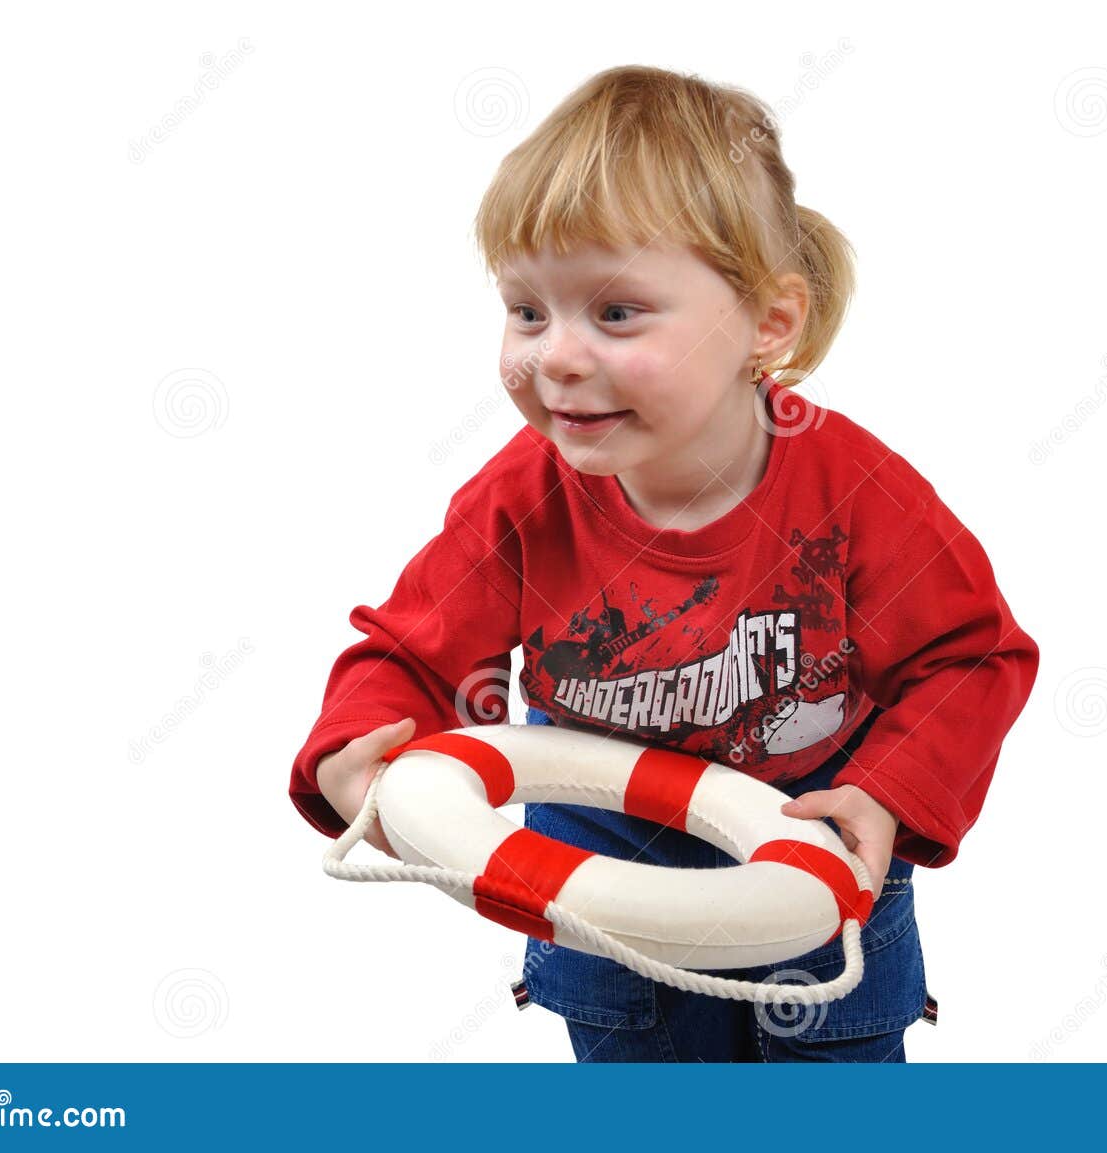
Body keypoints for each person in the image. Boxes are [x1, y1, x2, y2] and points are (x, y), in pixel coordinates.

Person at [288, 64, 1041, 1062]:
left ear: (766, 325)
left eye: (614, 313)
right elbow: (414, 649)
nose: (554, 356)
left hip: (813, 838)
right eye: (526, 311)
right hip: (602, 862)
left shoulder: (856, 492)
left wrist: (891, 793)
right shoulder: (526, 494)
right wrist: (356, 746)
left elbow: (969, 656)